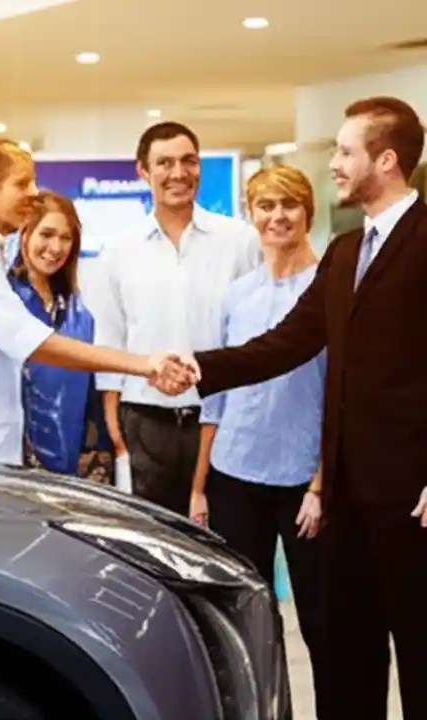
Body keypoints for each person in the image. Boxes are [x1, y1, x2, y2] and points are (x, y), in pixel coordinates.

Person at [170, 96, 426, 720]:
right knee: (346, 651)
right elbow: (286, 343)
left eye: (344, 151)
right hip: (345, 495)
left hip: (412, 496)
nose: (333, 164)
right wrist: (200, 366)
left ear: (385, 160)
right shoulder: (344, 253)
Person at [0, 137, 192, 464]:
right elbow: (31, 341)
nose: (33, 192)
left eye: (66, 238)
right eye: (21, 183)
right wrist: (144, 364)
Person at [188, 165, 325, 694]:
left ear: (307, 211)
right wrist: (201, 486)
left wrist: (319, 484)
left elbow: (340, 396)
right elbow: (216, 402)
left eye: (288, 204)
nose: (277, 217)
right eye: (265, 206)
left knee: (319, 618)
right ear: (251, 216)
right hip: (236, 472)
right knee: (246, 621)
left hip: (302, 481)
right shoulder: (237, 295)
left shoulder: (327, 290)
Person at [87, 121, 261, 514]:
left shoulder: (240, 241)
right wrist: (114, 425)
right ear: (143, 171)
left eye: (189, 161)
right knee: (153, 542)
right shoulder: (119, 251)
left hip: (223, 420)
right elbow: (111, 338)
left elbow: (253, 333)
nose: (179, 173)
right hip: (145, 420)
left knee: (225, 537)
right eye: (164, 163)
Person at [8, 191, 112, 480]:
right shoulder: (5, 300)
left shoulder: (78, 310)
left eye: (66, 238)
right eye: (47, 234)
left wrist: (96, 455)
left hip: (72, 467)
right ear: (25, 234)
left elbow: (91, 390)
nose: (55, 247)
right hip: (13, 464)